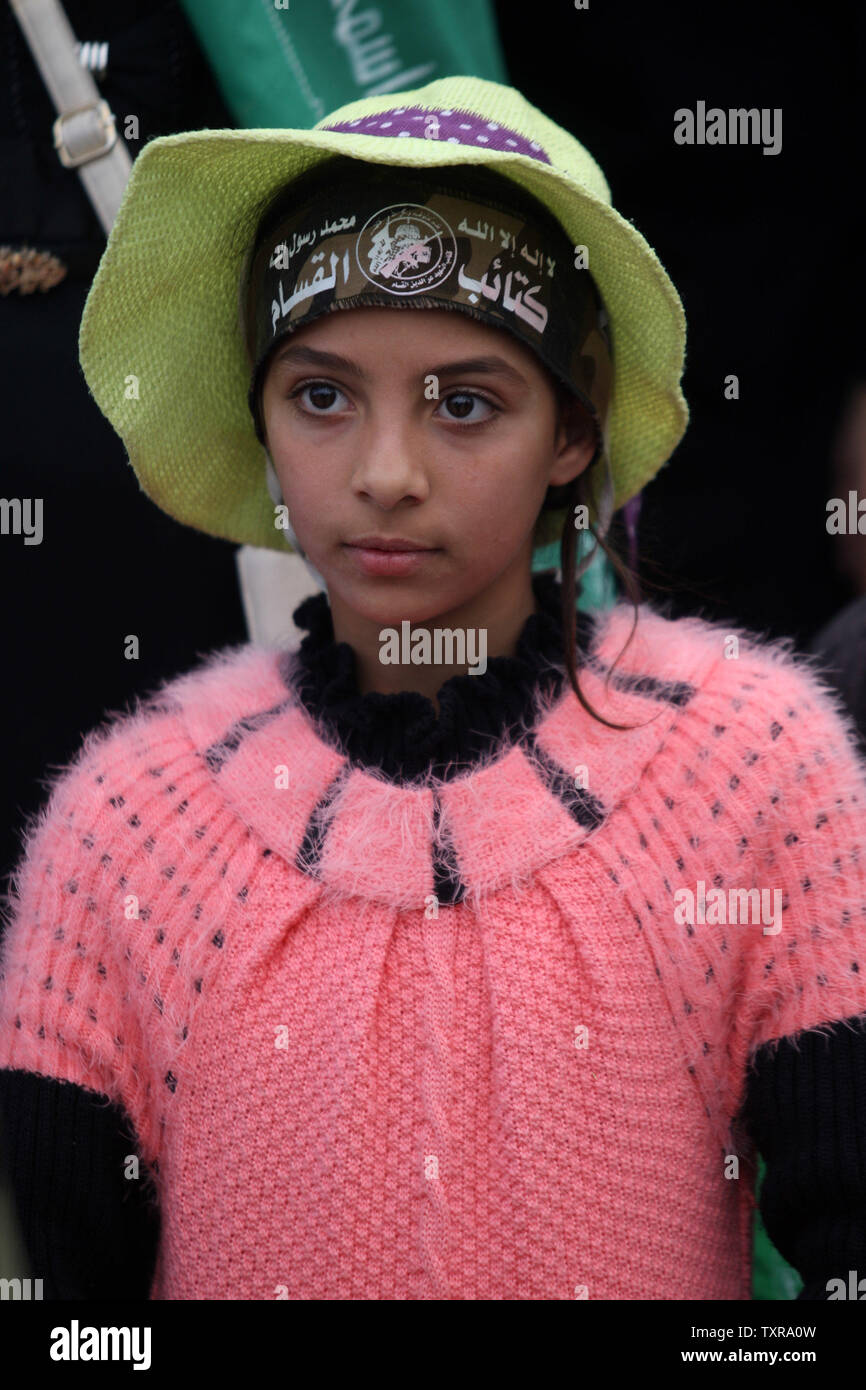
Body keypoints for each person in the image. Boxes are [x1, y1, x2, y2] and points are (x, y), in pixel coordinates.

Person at [1, 75, 865, 1301]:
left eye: (465, 404)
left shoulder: (755, 767)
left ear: (572, 434)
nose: (386, 472)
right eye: (320, 397)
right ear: (257, 420)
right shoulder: (121, 825)